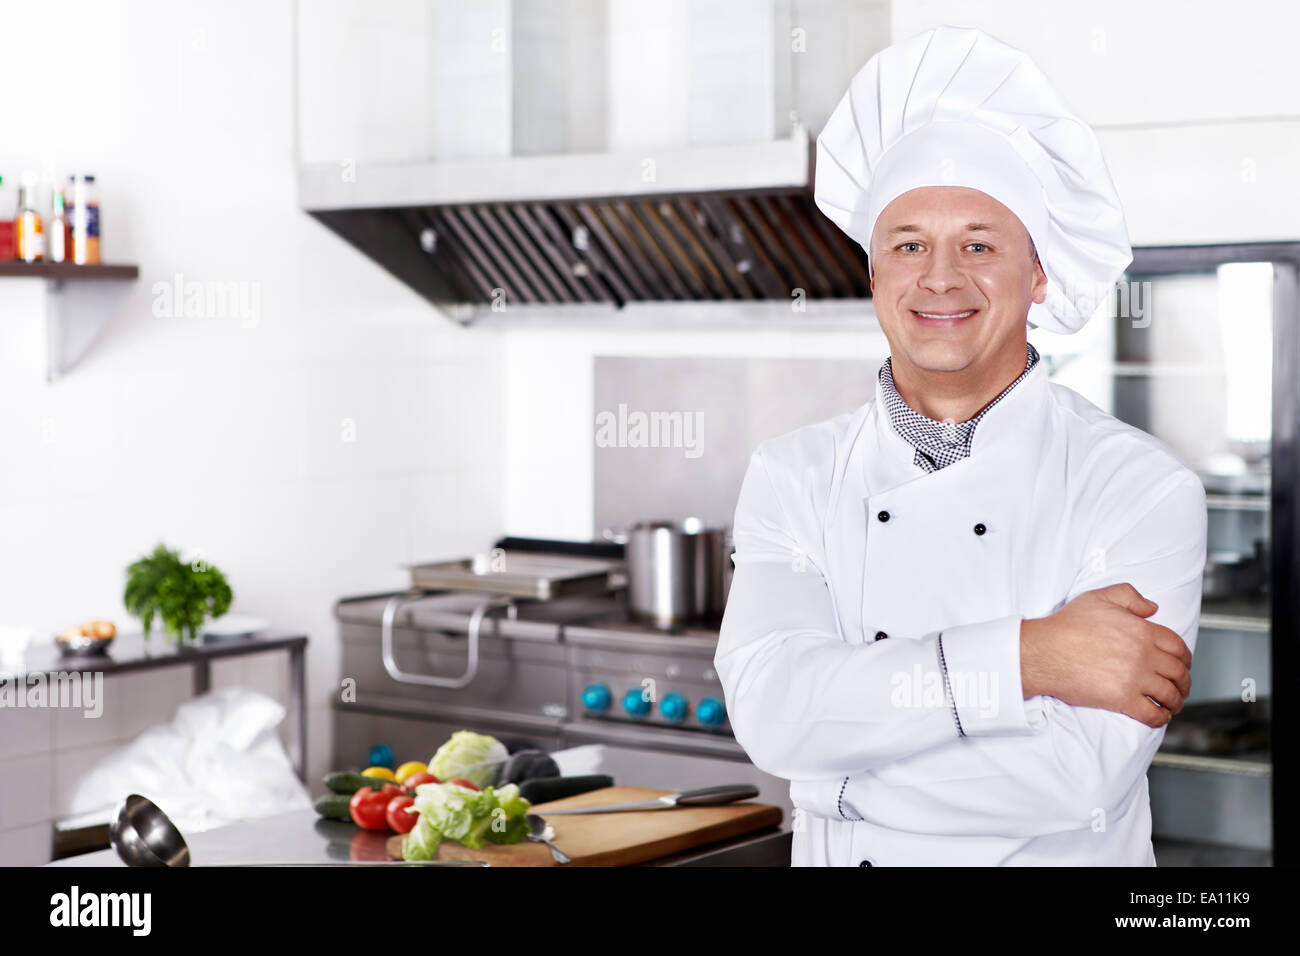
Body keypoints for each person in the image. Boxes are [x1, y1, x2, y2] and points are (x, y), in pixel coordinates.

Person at [713, 25, 1207, 866]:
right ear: (873, 272)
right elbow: (772, 712)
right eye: (908, 245)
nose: (940, 278)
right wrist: (1030, 657)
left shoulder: (1139, 488)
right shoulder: (792, 475)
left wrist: (831, 779)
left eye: (980, 244)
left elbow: (1071, 778)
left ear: (1038, 274)